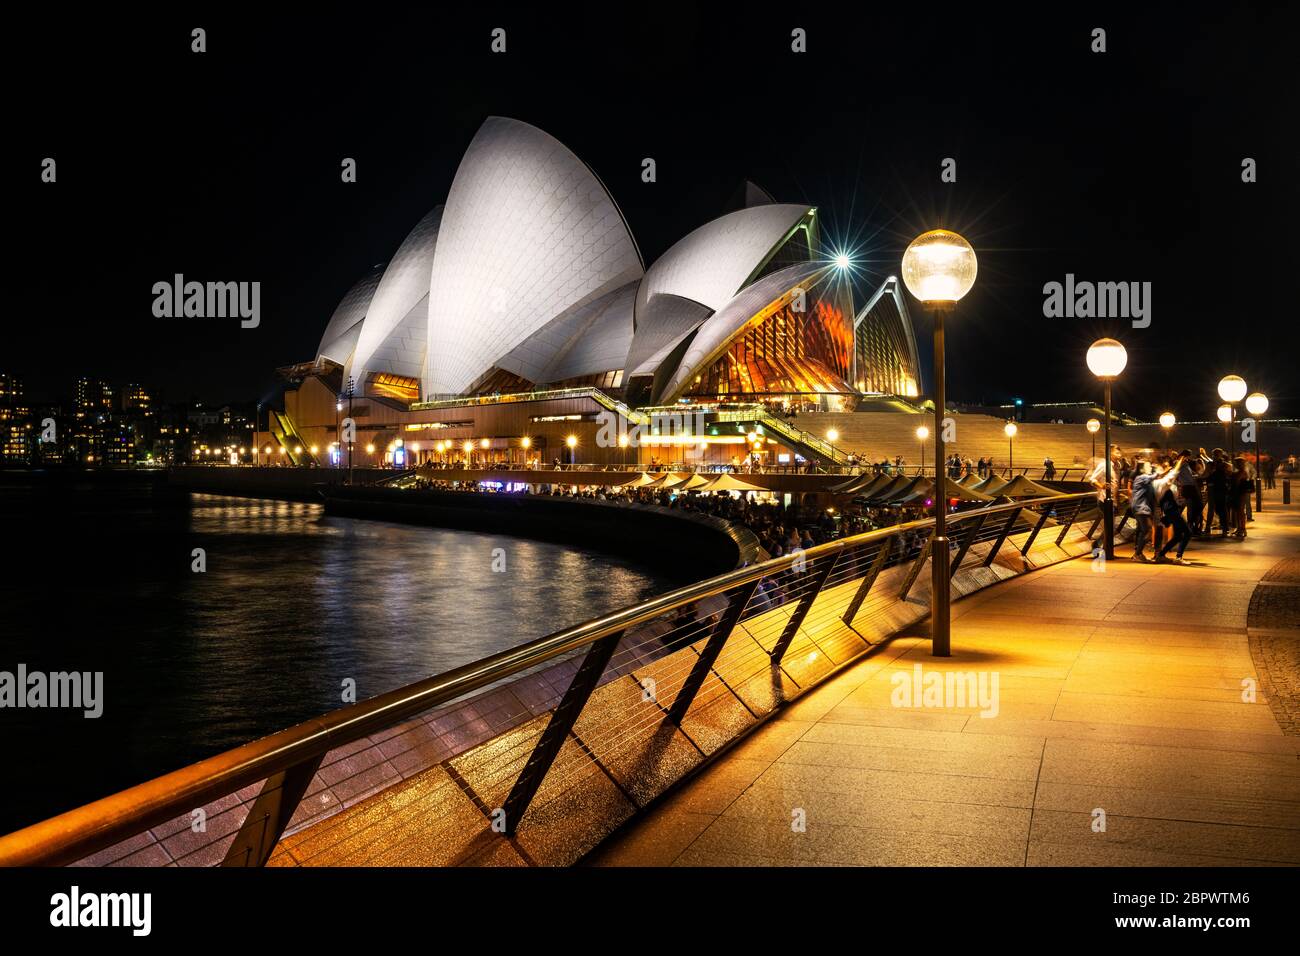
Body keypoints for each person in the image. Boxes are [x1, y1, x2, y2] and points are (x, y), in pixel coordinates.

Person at [1155, 458, 1193, 564]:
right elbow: (1173, 473)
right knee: (1187, 532)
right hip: (1171, 511)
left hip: (1172, 510)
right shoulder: (1162, 483)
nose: (1169, 468)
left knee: (1178, 536)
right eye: (1166, 467)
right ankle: (1178, 557)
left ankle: (1161, 555)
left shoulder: (1171, 484)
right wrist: (1180, 460)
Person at [1129, 462, 1157, 562]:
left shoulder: (1144, 479)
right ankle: (1137, 554)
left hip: (1142, 508)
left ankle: (1138, 553)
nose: (1151, 467)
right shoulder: (1142, 477)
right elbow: (1157, 475)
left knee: (1143, 530)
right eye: (1148, 466)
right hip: (1141, 508)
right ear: (1142, 469)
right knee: (1148, 530)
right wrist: (1165, 470)